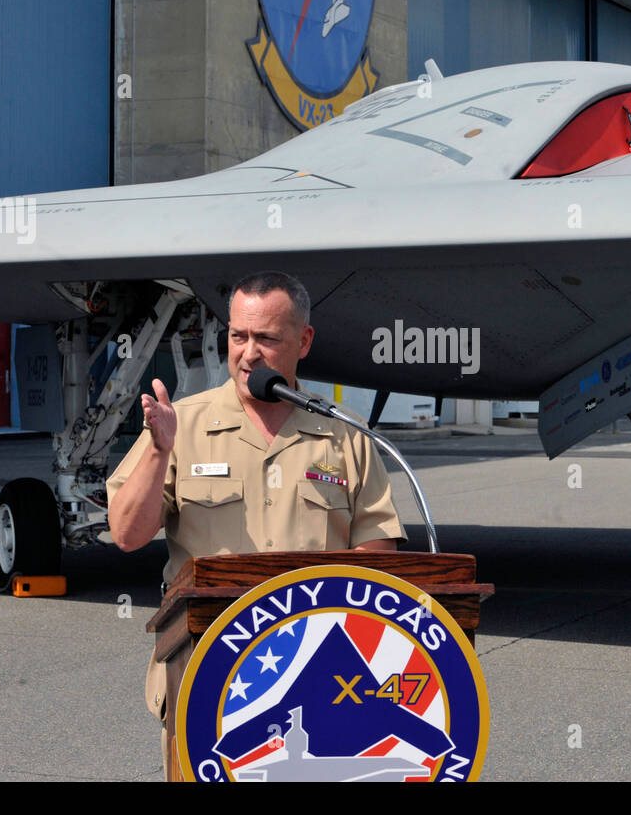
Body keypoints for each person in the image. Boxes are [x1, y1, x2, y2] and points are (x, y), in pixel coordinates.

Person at [105, 271, 406, 778]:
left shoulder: (344, 435)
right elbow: (128, 534)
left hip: (315, 681)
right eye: (238, 337)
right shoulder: (183, 424)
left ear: (303, 341)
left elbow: (378, 553)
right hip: (205, 669)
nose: (249, 354)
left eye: (267, 338)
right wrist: (158, 452)